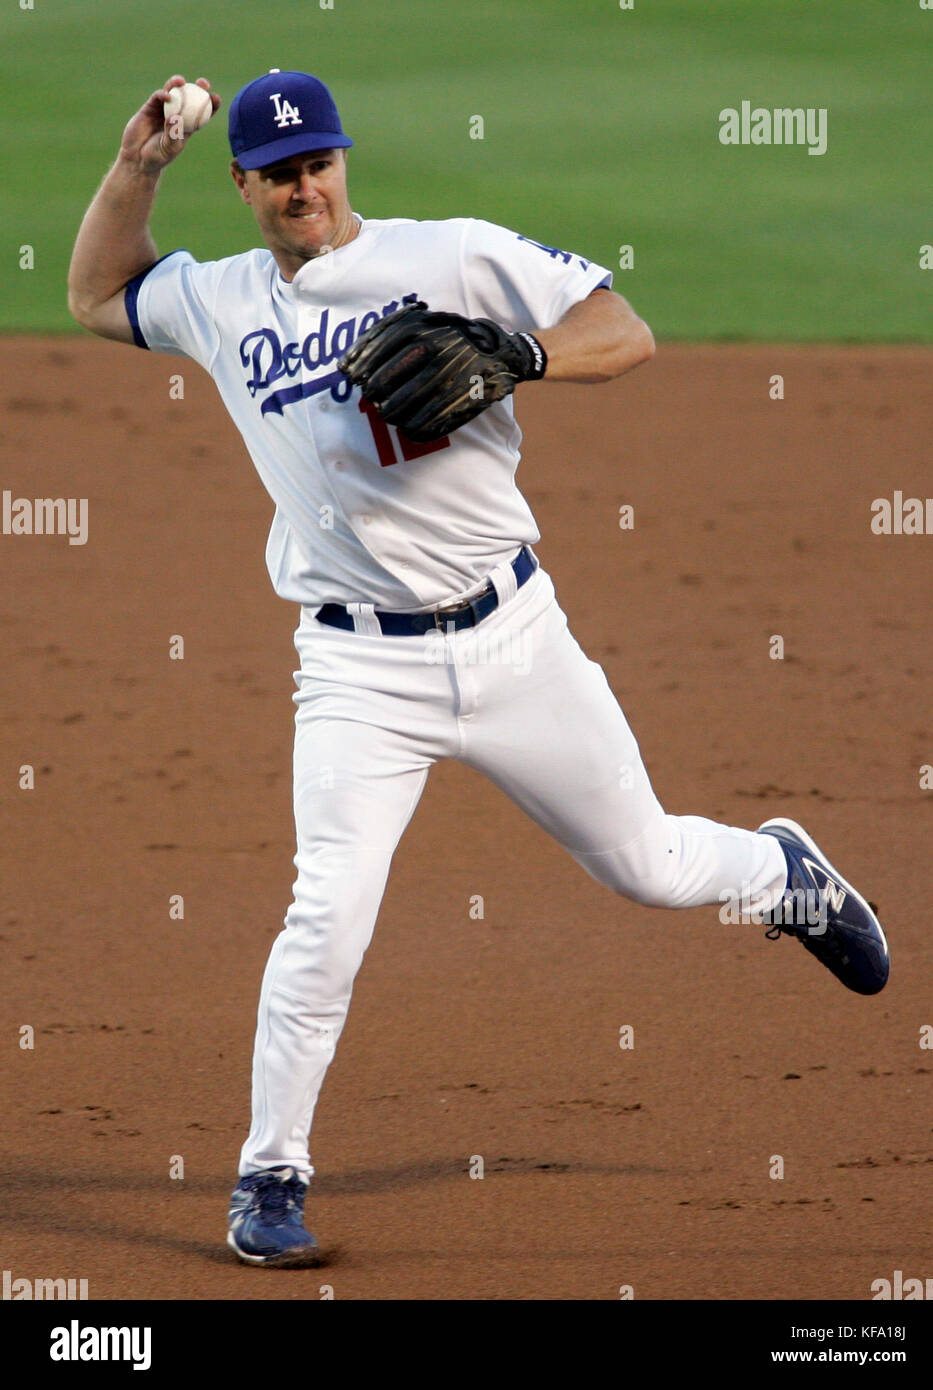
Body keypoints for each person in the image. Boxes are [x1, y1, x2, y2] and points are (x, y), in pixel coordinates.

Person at [68, 69, 890, 1269]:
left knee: (651, 867)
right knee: (326, 915)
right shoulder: (221, 301)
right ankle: (269, 1176)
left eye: (321, 163)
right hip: (357, 673)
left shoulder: (446, 254)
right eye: (280, 173)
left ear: (343, 161)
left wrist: (519, 351)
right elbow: (95, 293)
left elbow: (625, 330)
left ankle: (781, 869)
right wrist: (139, 164)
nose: (306, 188)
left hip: (514, 642)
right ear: (241, 183)